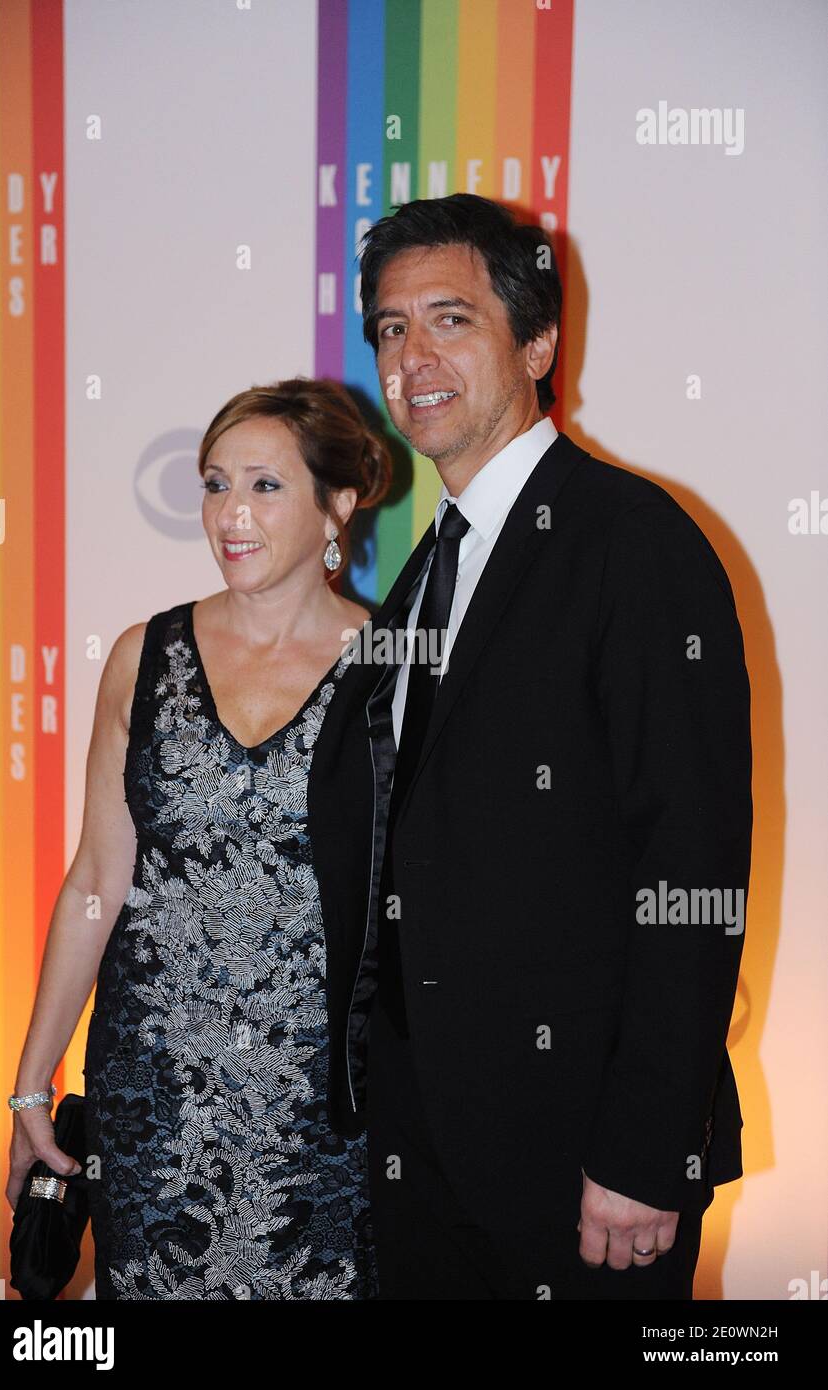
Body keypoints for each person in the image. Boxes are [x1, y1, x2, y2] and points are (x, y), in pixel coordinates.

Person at [308, 194, 752, 1300]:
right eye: (389, 328)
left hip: (587, 1164)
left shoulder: (635, 543)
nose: (411, 356)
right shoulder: (421, 573)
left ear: (539, 342)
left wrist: (649, 1153)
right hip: (424, 1155)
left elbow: (691, 864)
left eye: (449, 320)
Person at [7, 377, 391, 1300]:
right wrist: (30, 1084)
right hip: (153, 1095)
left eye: (264, 486)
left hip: (321, 1109)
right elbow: (97, 879)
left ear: (337, 502)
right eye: (215, 484)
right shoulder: (145, 656)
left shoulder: (391, 668)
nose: (231, 514)